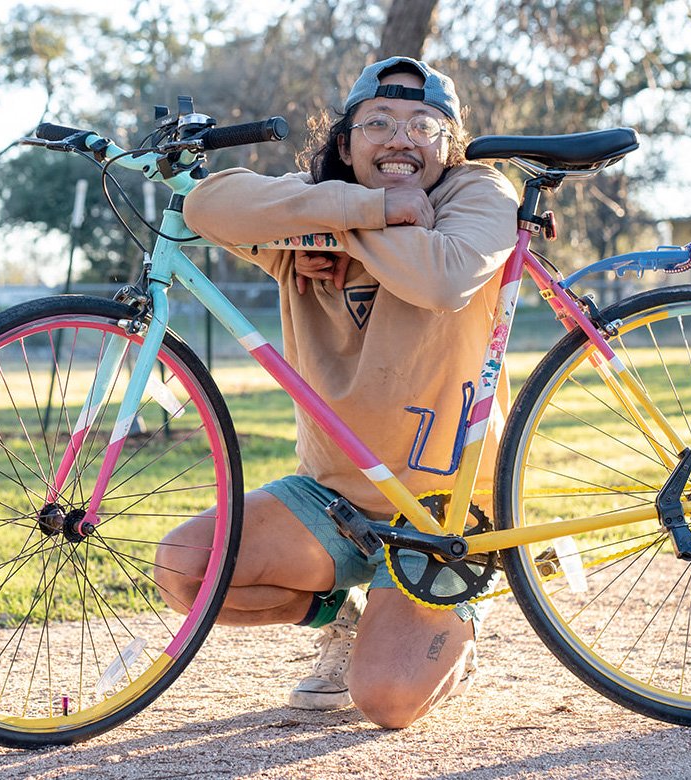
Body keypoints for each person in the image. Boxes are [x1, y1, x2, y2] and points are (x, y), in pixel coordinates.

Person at [155, 56, 519, 729]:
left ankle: (457, 620)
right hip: (331, 501)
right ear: (346, 144)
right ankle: (343, 615)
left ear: (450, 146)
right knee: (184, 570)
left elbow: (446, 278)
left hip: (444, 509)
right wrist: (368, 211)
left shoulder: (479, 194)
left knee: (384, 700)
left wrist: (329, 227)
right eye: (375, 123)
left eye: (422, 124)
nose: (398, 138)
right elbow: (206, 203)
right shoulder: (323, 198)